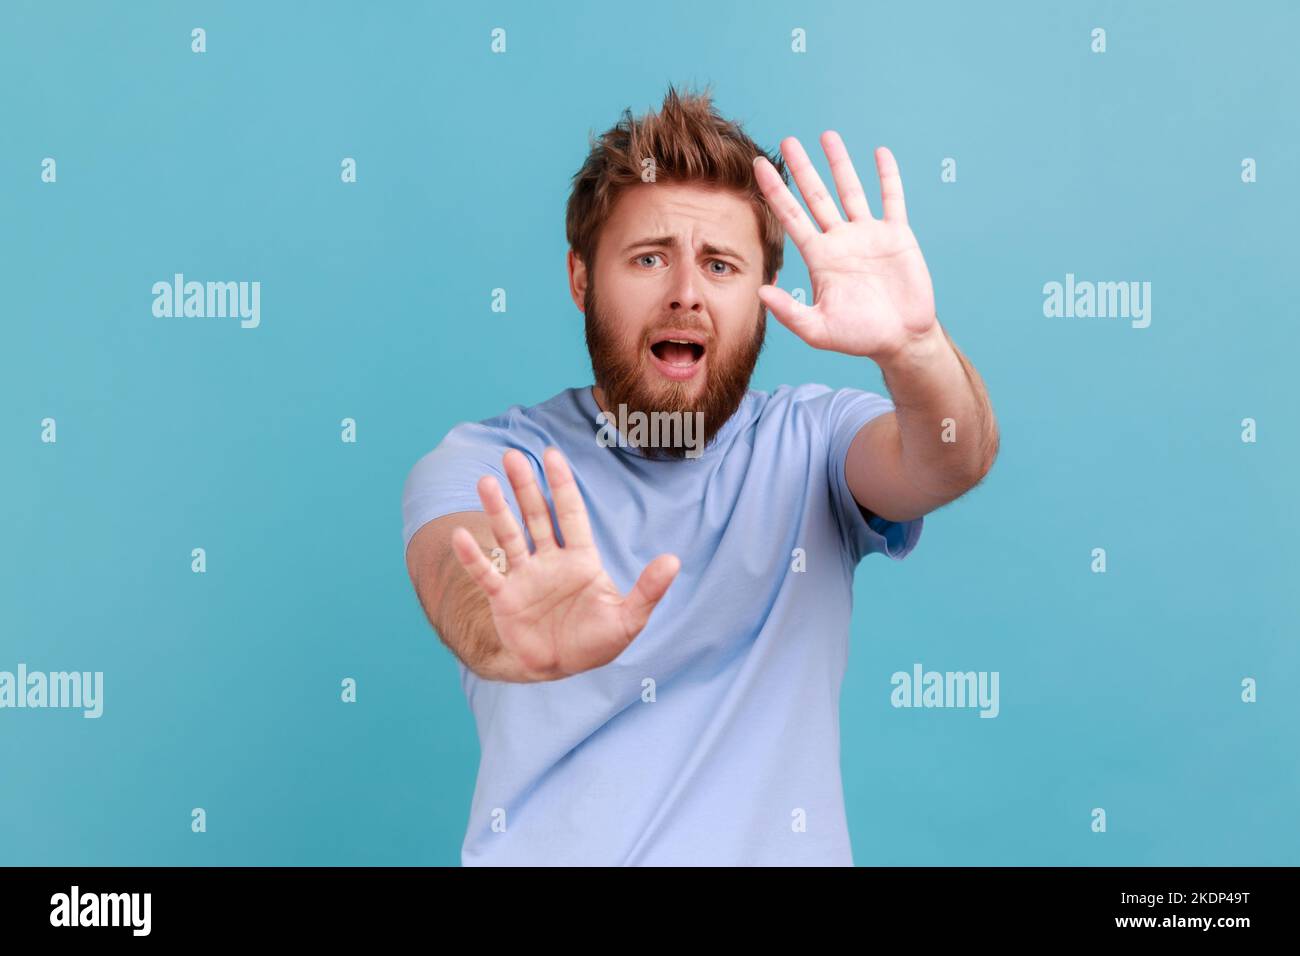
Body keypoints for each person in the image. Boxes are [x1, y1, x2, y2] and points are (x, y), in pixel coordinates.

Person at [402, 84, 999, 865]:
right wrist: (507, 638)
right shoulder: (491, 463)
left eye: (720, 265)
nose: (685, 292)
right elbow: (459, 577)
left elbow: (953, 454)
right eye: (650, 258)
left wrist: (915, 350)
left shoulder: (813, 443)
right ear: (581, 280)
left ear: (763, 297)